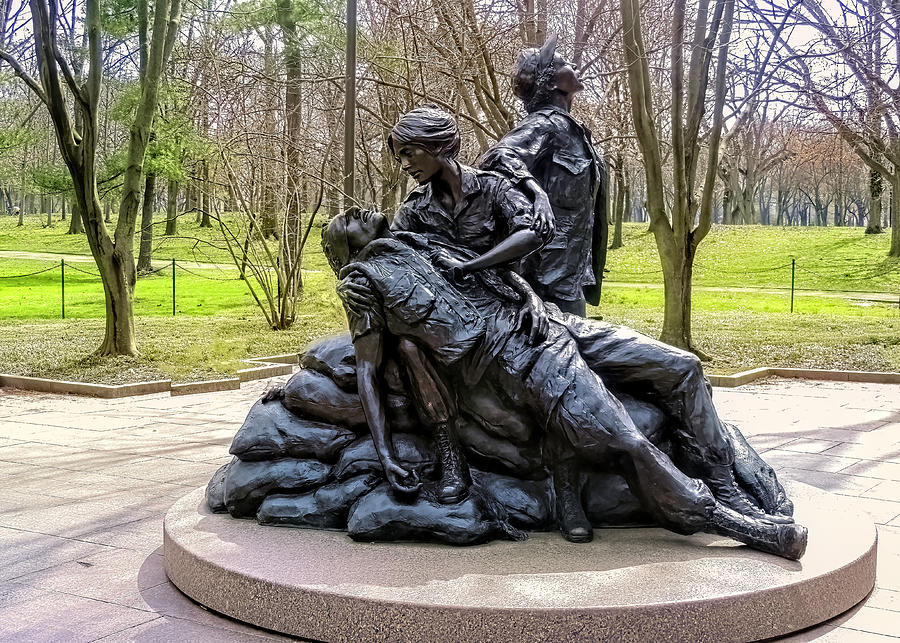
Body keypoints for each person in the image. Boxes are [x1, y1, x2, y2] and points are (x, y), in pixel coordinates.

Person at [322, 209, 808, 561]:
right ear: (346, 249)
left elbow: (498, 270)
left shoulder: (417, 240)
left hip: (549, 322)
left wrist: (531, 297)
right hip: (520, 356)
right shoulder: (362, 281)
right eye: (346, 221)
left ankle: (725, 478)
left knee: (682, 367)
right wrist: (385, 453)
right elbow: (368, 369)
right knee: (624, 439)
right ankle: (736, 523)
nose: (355, 210)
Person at [479, 34, 607, 316]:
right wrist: (536, 193)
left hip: (571, 271)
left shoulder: (572, 130)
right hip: (545, 274)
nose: (572, 64)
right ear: (550, 82)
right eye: (563, 63)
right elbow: (497, 157)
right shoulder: (546, 124)